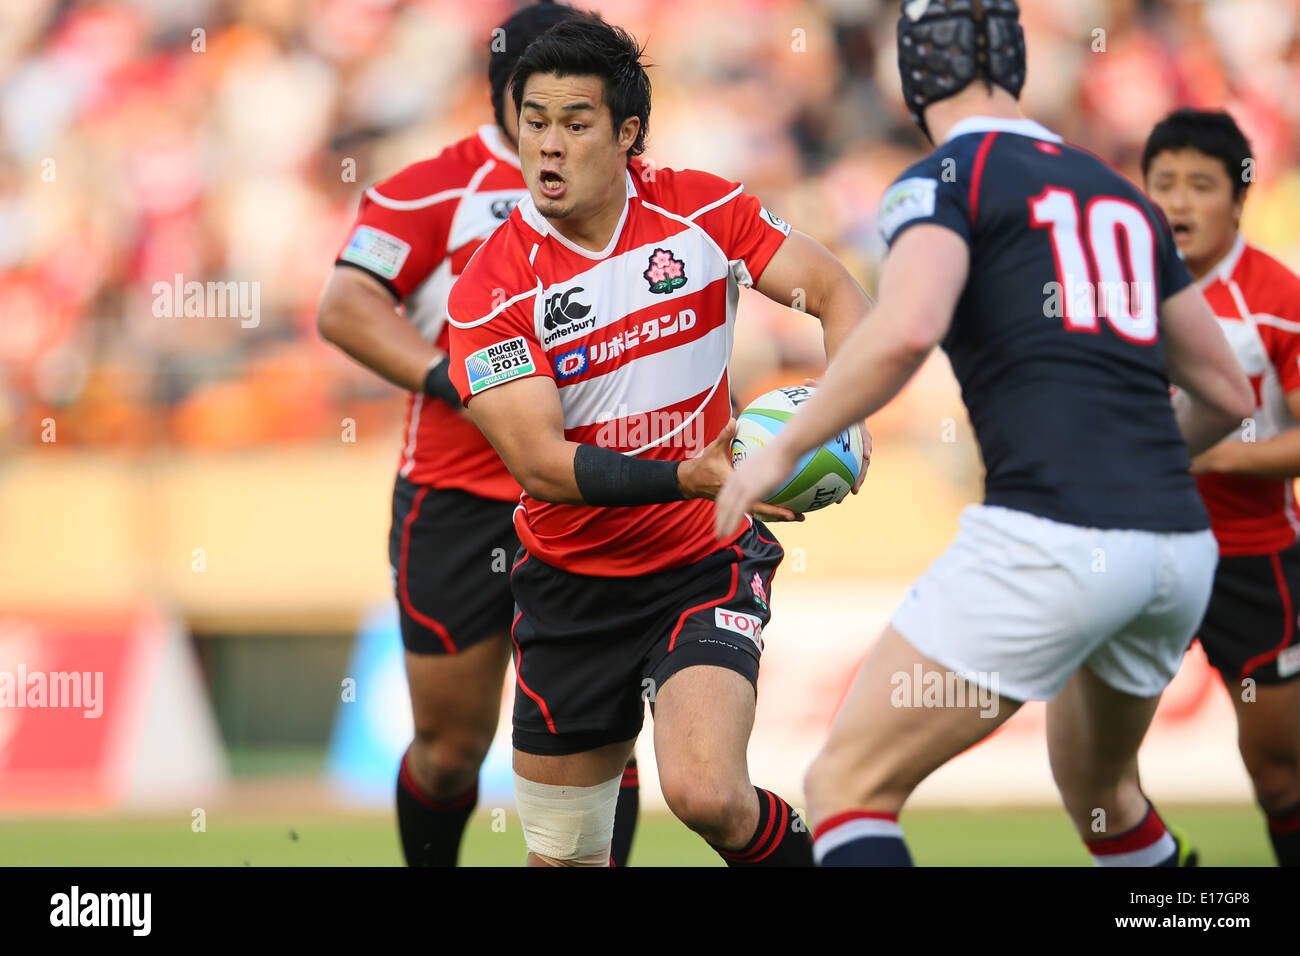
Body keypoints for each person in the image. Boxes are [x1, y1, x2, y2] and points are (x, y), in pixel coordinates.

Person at [715, 0, 1254, 867]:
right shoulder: (1114, 188)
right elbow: (1228, 391)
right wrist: (1138, 464)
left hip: (1052, 536)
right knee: (1108, 804)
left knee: (847, 789)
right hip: (1175, 551)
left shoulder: (940, 180)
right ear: (1011, 64)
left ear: (915, 71)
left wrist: (783, 444)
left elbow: (903, 329)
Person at [445, 12, 872, 867]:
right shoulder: (488, 290)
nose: (549, 147)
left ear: (627, 133)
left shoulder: (701, 208)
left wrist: (843, 416)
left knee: (706, 792)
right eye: (534, 123)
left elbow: (833, 289)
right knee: (564, 857)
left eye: (575, 124)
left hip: (702, 561)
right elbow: (540, 465)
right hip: (569, 589)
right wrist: (693, 472)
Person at [316, 1, 639, 867]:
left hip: (589, 489)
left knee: (601, 735)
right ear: (505, 94)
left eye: (577, 106)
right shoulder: (430, 188)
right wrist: (445, 376)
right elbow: (345, 305)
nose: (555, 125)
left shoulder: (633, 186)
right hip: (460, 501)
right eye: (538, 102)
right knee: (452, 748)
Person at [1144, 108, 1300, 866]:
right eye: (1163, 182)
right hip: (1134, 557)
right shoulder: (1113, 298)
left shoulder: (1277, 297)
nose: (1177, 201)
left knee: (1281, 779)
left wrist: (1207, 459)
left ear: (1238, 199)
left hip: (1252, 561)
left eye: (1200, 184)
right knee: (1095, 766)